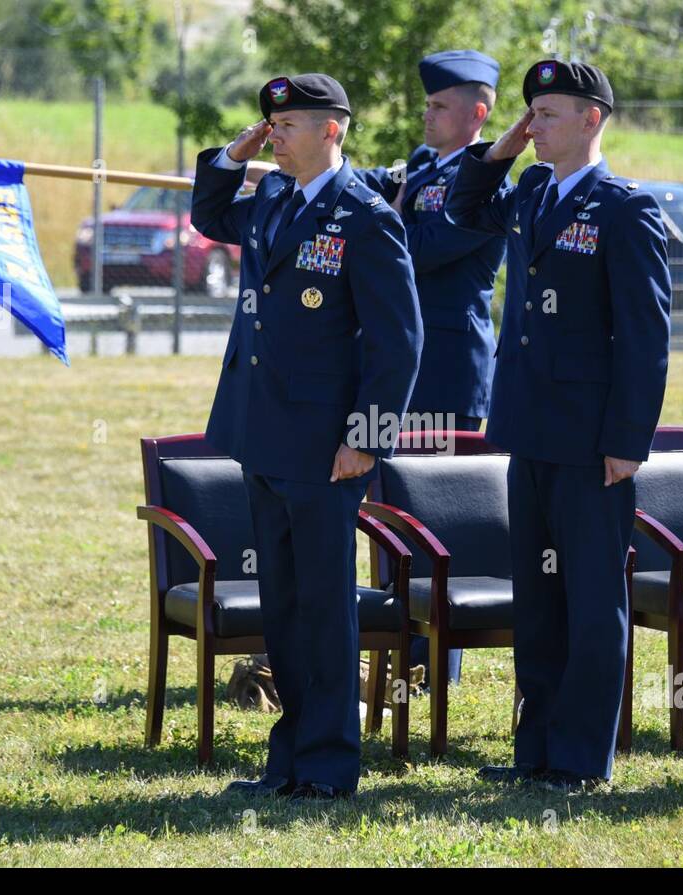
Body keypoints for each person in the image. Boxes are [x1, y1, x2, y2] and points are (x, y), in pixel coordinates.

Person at [190, 73, 423, 801]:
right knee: (283, 607)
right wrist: (239, 148)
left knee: (324, 608)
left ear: (333, 129)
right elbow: (207, 211)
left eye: (288, 123)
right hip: (263, 432)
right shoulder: (269, 198)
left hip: (327, 447)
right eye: (269, 123)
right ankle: (288, 758)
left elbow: (400, 344)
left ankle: (328, 763)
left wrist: (367, 440)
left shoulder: (366, 216)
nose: (274, 134)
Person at [445, 59, 671, 793]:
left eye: (548, 114)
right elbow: (460, 205)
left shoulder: (625, 208)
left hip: (589, 438)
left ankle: (578, 757)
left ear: (591, 119)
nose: (535, 124)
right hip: (530, 426)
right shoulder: (535, 189)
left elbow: (645, 337)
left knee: (590, 599)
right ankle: (534, 747)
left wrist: (626, 443)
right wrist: (503, 148)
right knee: (537, 599)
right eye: (531, 113)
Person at [355, 48, 510, 689]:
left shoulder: (489, 185)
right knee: (387, 503)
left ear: (477, 114)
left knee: (437, 513)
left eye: (440, 105)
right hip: (396, 363)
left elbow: (422, 249)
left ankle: (431, 660)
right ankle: (391, 636)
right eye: (426, 103)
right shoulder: (419, 167)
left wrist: (368, 227)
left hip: (447, 365)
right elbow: (366, 183)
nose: (427, 114)